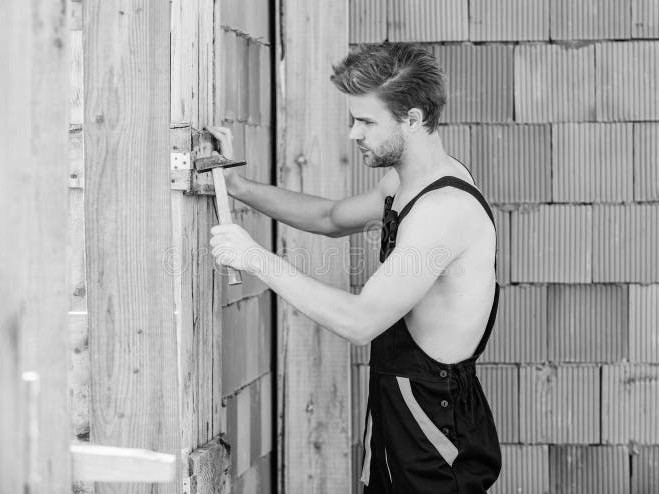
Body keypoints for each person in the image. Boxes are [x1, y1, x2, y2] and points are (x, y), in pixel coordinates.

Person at [208, 42, 501, 493]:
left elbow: (360, 321)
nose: (353, 134)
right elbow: (329, 218)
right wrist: (238, 186)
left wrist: (254, 258)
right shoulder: (405, 183)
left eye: (366, 121)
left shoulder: (443, 209)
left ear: (413, 119)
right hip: (401, 407)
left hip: (433, 422)